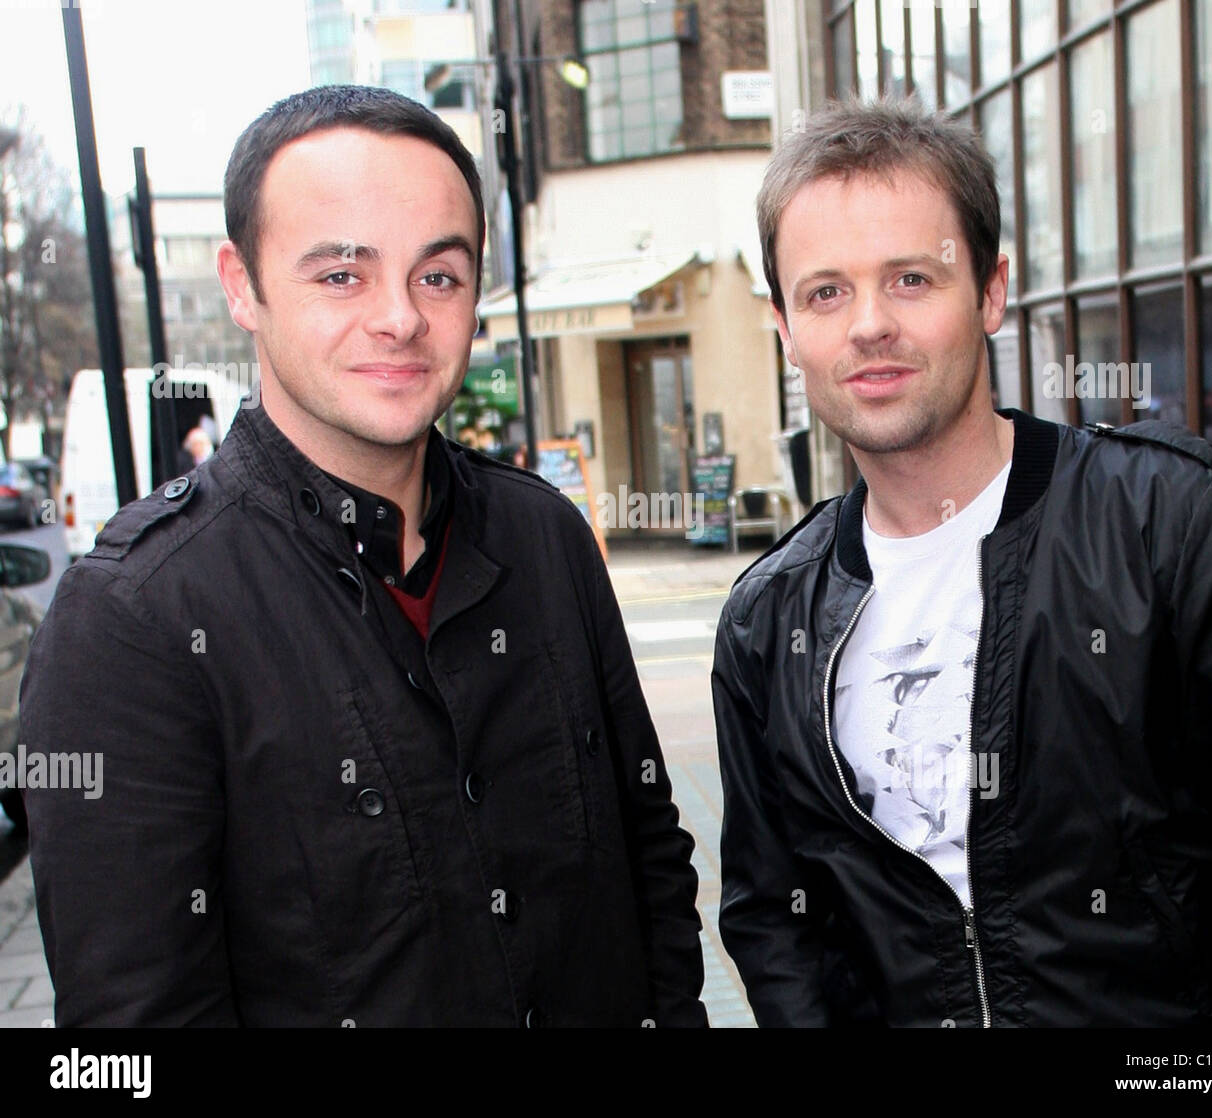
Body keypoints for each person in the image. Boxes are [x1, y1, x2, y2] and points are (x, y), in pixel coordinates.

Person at [21, 85, 707, 1027]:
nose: (400, 318)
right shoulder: (135, 619)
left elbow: (648, 863)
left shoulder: (546, 538)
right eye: (341, 275)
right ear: (240, 284)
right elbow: (132, 1025)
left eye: (439, 276)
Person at [712, 97, 1212, 1027]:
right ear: (786, 328)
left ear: (990, 290)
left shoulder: (1164, 520)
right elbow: (773, 918)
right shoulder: (767, 618)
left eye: (910, 278)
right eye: (826, 291)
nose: (869, 325)